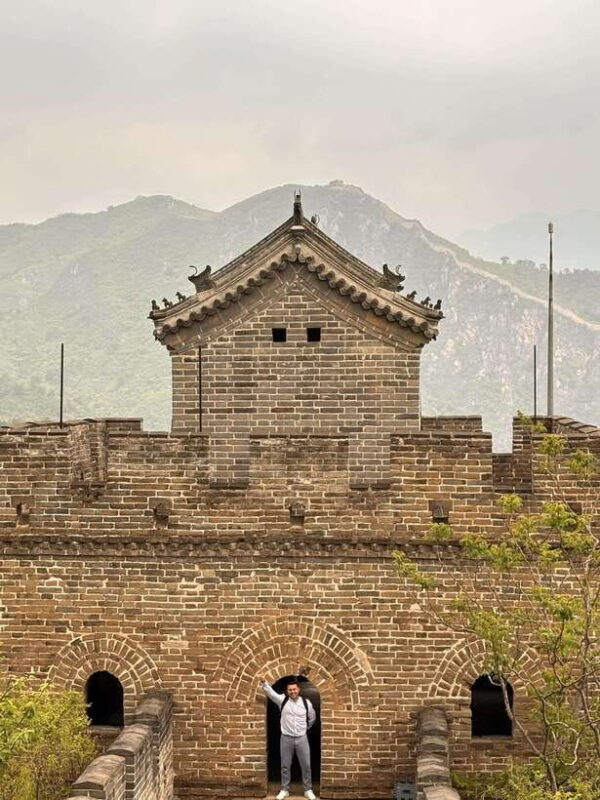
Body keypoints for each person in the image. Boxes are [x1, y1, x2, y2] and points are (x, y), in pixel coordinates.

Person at [260, 677, 317, 800]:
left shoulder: (306, 703)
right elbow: (271, 693)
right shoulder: (282, 700)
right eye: (290, 690)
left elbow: (312, 718)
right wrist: (264, 683)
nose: (293, 692)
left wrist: (305, 728)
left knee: (306, 765)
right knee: (285, 766)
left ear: (299, 689)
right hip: (286, 738)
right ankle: (284, 790)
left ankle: (308, 789)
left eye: (294, 689)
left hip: (302, 738)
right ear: (287, 691)